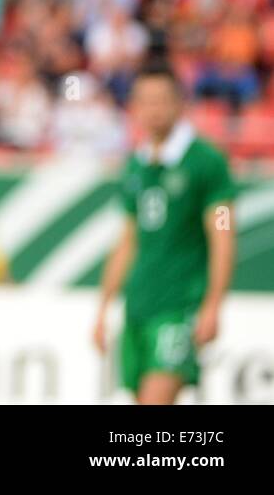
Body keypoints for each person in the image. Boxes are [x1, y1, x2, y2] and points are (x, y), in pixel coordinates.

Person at [93, 62, 238, 404]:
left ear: (180, 103)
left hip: (180, 306)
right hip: (138, 306)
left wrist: (213, 304)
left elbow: (223, 234)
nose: (153, 110)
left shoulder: (206, 162)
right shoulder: (136, 165)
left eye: (161, 100)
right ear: (134, 108)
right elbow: (127, 241)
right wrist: (103, 307)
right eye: (145, 101)